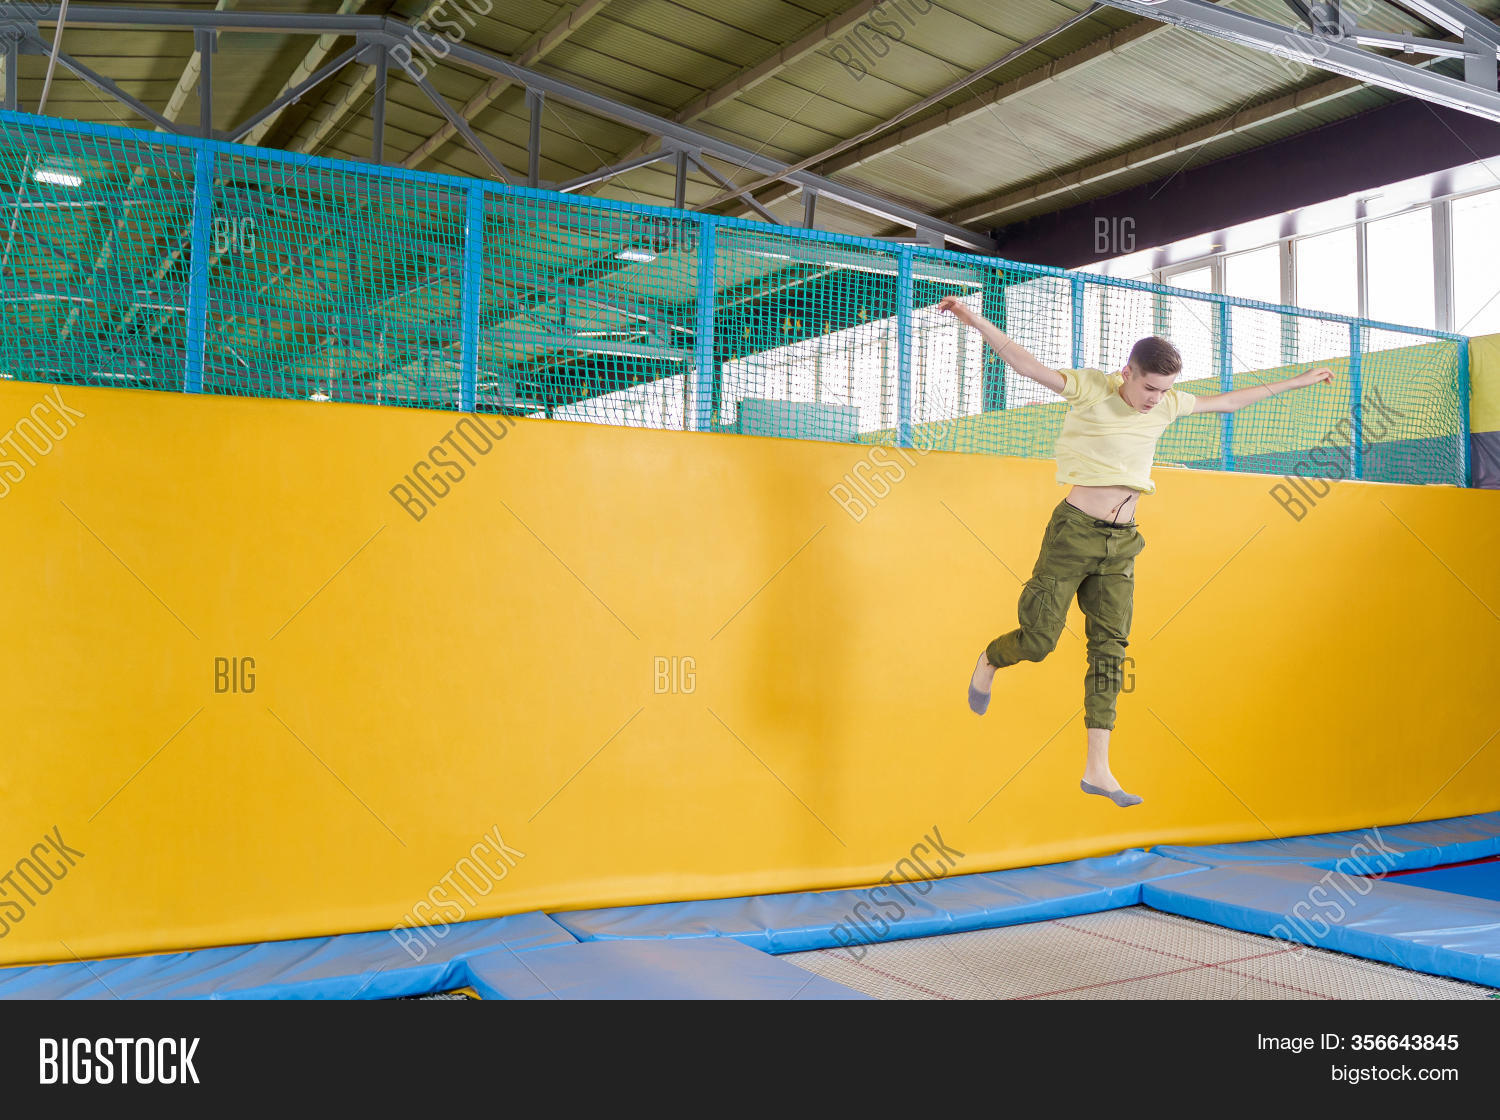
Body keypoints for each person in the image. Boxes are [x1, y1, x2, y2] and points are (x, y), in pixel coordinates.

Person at [939, 294, 1334, 807]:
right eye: (1149, 387)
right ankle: (992, 658)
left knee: (1110, 650)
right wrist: (974, 319)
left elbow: (1230, 402)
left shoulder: (1168, 403)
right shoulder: (1090, 389)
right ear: (1127, 372)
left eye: (1165, 390)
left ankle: (1097, 768)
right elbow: (1026, 364)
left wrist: (1299, 380)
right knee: (1039, 643)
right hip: (1074, 533)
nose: (1156, 399)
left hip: (1122, 542)